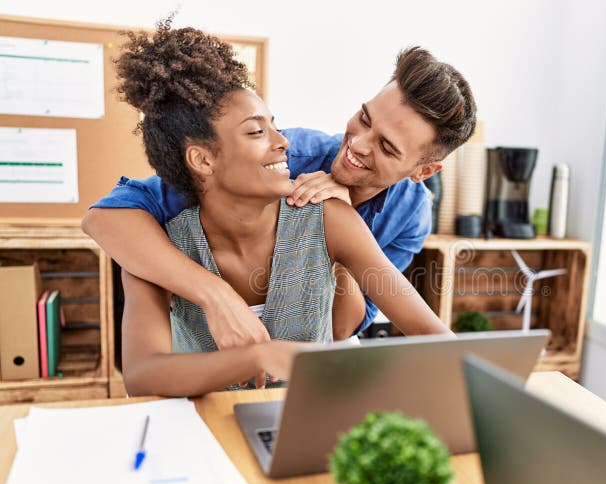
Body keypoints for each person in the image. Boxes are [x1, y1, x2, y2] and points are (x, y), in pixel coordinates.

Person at [113, 19, 449, 397]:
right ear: (202, 160)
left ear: (422, 171)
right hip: (203, 421)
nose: (285, 142)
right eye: (258, 131)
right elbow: (142, 374)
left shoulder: (334, 218)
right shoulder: (155, 245)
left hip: (304, 410)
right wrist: (258, 356)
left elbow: (415, 331)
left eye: (387, 147)